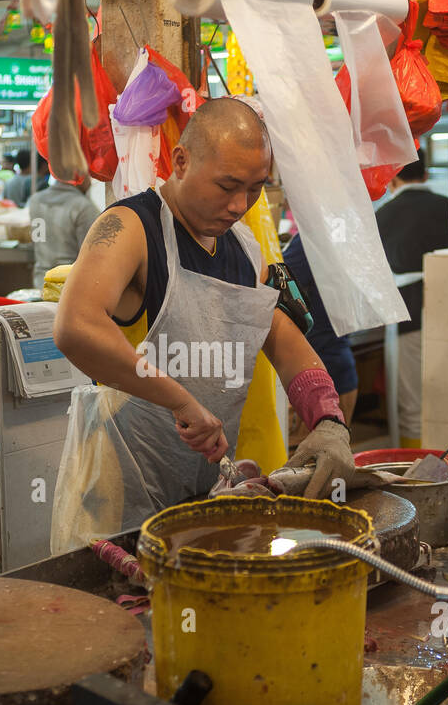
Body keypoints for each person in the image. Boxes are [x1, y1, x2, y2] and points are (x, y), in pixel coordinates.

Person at [51, 98, 360, 550]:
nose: (239, 204)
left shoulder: (242, 247)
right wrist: (181, 401)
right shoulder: (131, 227)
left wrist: (328, 419)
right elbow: (75, 327)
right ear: (180, 160)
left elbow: (279, 334)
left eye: (255, 188)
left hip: (201, 495)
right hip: (117, 497)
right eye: (227, 185)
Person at [283, 153, 448, 448]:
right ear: (426, 175)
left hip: (402, 322)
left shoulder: (380, 217)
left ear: (394, 178)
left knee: (410, 406)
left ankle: (414, 473)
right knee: (444, 400)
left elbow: (287, 279)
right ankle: (433, 469)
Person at [27, 172, 100, 289]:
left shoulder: (35, 200)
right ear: (80, 176)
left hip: (41, 282)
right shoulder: (83, 207)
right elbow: (91, 258)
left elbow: (37, 242)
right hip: (70, 287)